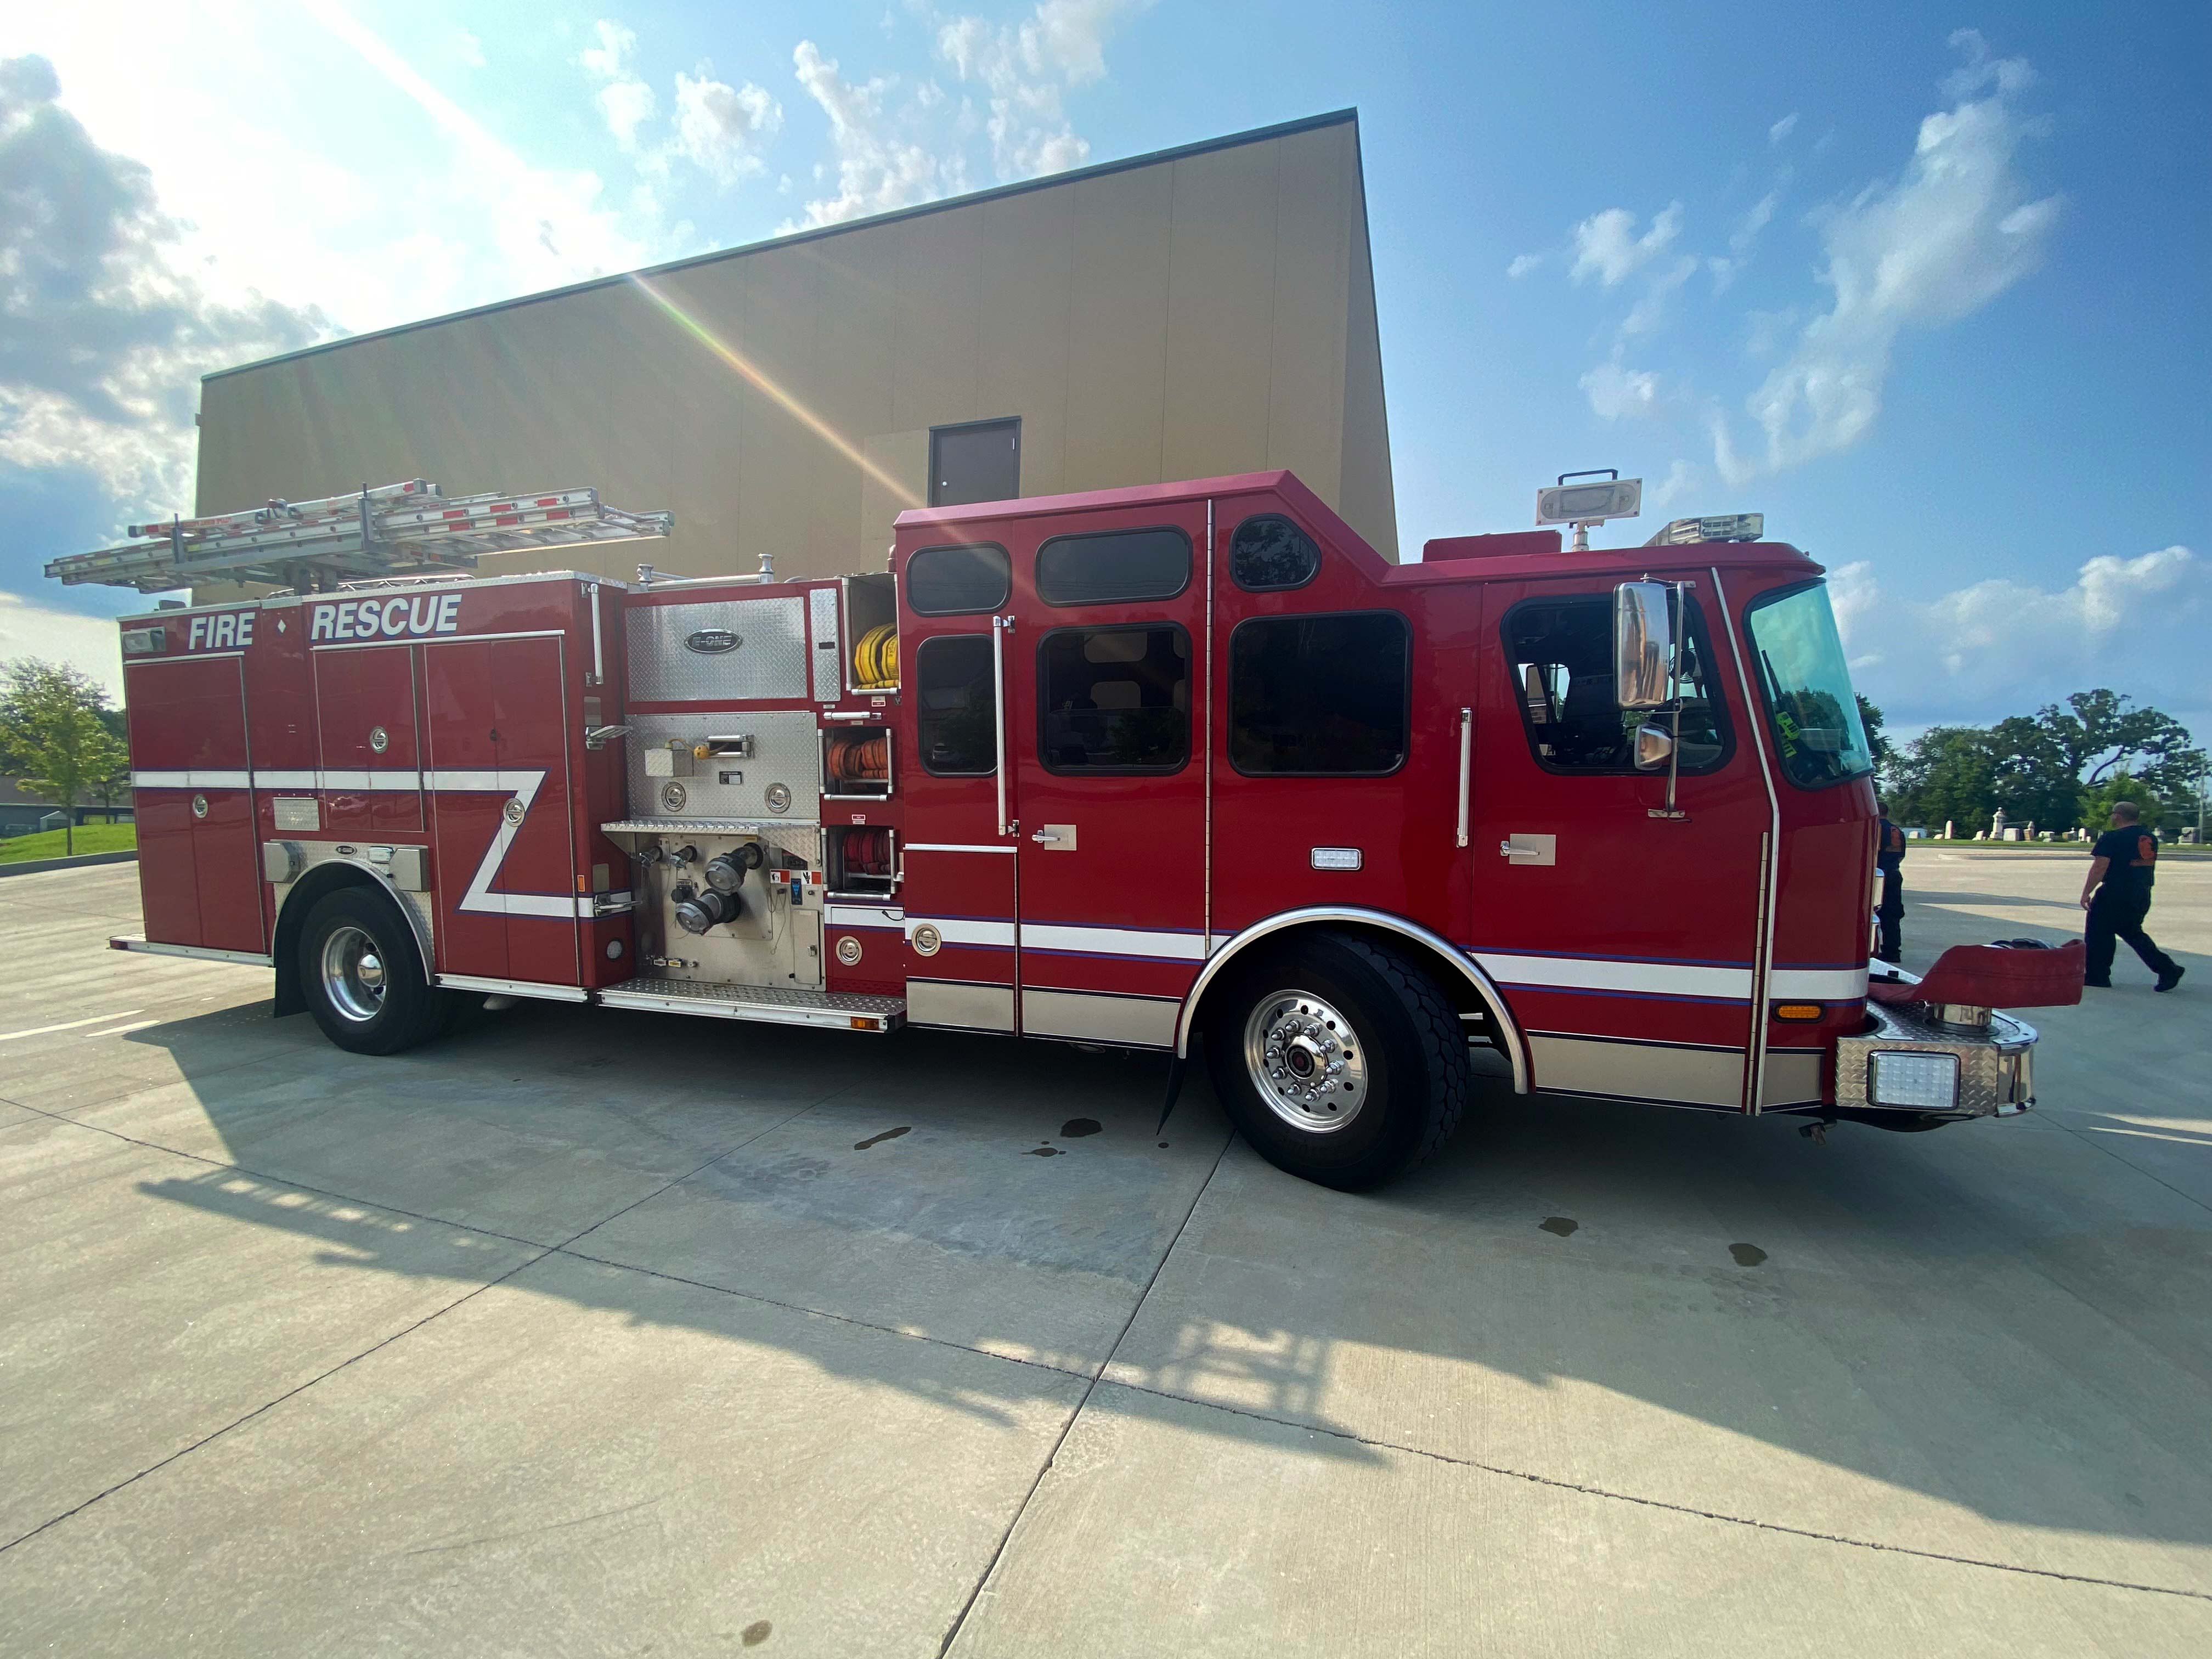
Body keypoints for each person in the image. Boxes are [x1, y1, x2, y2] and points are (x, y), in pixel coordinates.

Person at [2081, 802, 2185, 991]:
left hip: (2115, 892)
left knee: (2098, 933)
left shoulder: (2112, 838)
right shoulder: (2150, 837)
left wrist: (2087, 892)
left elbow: (2100, 867)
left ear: (2118, 816)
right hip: (2141, 892)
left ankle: (2098, 976)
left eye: (2113, 814)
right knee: (2132, 932)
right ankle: (2167, 968)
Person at [1874, 800, 1906, 963]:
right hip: (1894, 873)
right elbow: (1901, 855)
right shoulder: (1897, 830)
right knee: (1892, 915)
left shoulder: (1874, 828)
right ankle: (1892, 951)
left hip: (1876, 874)